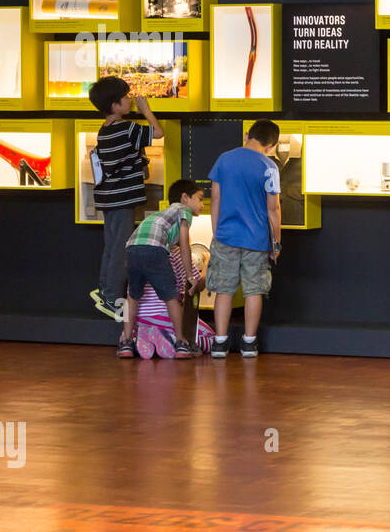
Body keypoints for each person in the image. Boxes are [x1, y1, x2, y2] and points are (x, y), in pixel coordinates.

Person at [87, 76, 163, 321]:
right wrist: (146, 111)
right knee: (121, 248)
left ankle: (104, 290)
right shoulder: (127, 128)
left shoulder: (105, 130)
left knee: (112, 245)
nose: (130, 99)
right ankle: (110, 298)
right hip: (122, 199)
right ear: (114, 105)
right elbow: (158, 133)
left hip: (109, 198)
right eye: (126, 97)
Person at [207, 120, 281, 358]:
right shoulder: (269, 167)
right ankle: (249, 342)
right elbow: (274, 209)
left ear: (247, 134)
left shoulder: (224, 159)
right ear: (271, 145)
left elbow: (215, 199)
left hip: (226, 235)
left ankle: (220, 342)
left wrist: (217, 231)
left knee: (224, 290)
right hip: (256, 239)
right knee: (254, 290)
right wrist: (276, 242)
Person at [116, 179, 204, 359]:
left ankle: (126, 343)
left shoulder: (161, 214)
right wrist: (190, 277)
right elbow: (185, 245)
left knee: (133, 295)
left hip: (132, 247)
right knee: (170, 296)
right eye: (200, 199)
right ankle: (181, 342)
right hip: (155, 249)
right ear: (185, 198)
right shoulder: (183, 211)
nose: (202, 204)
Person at [134, 247, 215, 358]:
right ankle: (171, 339)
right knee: (213, 339)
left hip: (139, 317)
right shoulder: (178, 252)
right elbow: (197, 285)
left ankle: (143, 338)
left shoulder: (137, 251)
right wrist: (207, 262)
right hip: (164, 314)